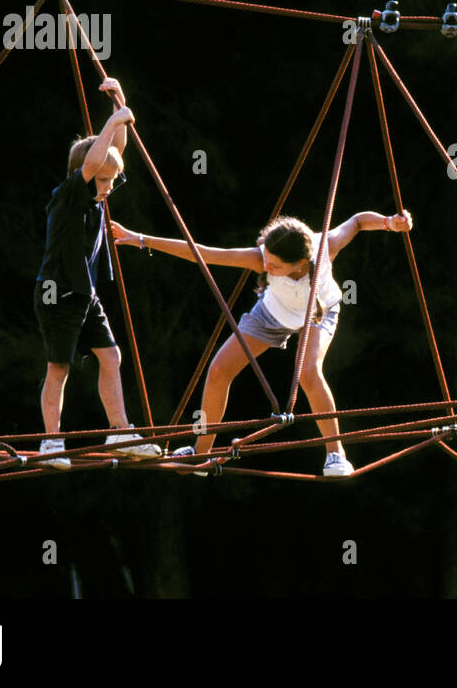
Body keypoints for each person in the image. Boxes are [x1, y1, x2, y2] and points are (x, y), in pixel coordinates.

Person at [110, 210, 413, 476]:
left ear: (299, 264)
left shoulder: (324, 248)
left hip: (317, 313)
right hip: (271, 314)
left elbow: (358, 221)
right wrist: (140, 238)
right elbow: (201, 252)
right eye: (265, 260)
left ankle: (336, 454)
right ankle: (201, 451)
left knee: (308, 373)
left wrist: (389, 223)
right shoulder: (261, 257)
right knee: (218, 370)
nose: (266, 268)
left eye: (274, 266)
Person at [33, 78, 161, 467]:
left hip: (84, 293)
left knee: (111, 357)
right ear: (85, 175)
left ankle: (120, 432)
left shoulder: (98, 192)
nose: (109, 186)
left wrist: (119, 106)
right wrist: (113, 122)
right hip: (57, 292)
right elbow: (95, 162)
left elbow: (113, 155)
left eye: (110, 180)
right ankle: (51, 443)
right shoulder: (70, 195)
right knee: (59, 366)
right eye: (103, 180)